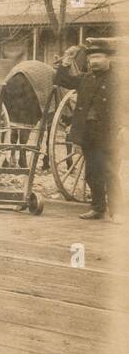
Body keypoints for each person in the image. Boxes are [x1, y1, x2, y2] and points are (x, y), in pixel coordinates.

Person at [56, 41, 118, 220]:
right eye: (91, 58)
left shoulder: (119, 80)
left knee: (109, 170)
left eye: (98, 57)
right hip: (88, 132)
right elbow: (62, 80)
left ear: (108, 58)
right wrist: (66, 61)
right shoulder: (86, 79)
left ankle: (118, 211)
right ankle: (98, 208)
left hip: (110, 132)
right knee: (91, 172)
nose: (94, 61)